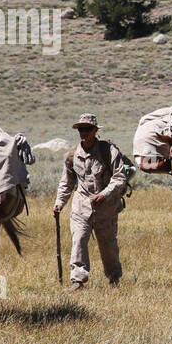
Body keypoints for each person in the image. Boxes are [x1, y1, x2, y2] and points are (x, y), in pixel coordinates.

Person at [53, 113, 128, 289]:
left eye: (87, 129)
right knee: (78, 240)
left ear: (95, 130)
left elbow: (119, 178)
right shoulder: (72, 155)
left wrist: (105, 194)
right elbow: (67, 182)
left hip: (106, 208)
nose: (83, 132)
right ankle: (78, 280)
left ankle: (114, 278)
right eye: (81, 129)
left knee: (108, 245)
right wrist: (59, 203)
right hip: (81, 206)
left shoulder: (108, 151)